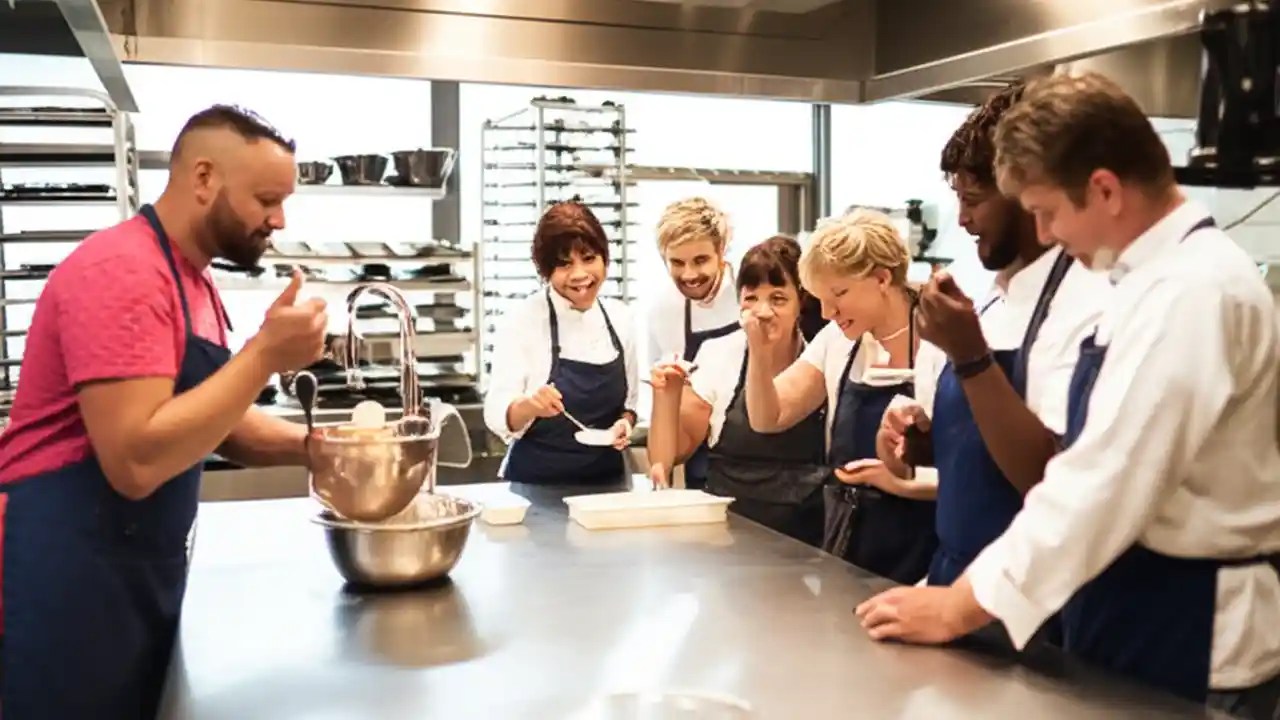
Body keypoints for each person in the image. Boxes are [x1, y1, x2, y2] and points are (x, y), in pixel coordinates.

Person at [855, 72, 1280, 718]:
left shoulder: (1193, 292)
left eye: (1047, 211)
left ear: (1105, 189)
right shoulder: (1144, 283)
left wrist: (962, 604)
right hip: (1125, 606)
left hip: (1190, 628)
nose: (1046, 235)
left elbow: (1103, 480)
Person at [0, 105, 325, 718]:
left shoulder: (194, 283)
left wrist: (317, 449)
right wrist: (263, 355)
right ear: (204, 178)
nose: (279, 220)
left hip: (133, 566)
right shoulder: (125, 272)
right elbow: (135, 460)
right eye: (265, 199)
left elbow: (209, 421)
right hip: (64, 574)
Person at [876, 82, 1106, 591]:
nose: (962, 219)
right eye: (958, 198)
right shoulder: (992, 298)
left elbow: (1048, 477)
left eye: (974, 199)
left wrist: (970, 357)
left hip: (1028, 600)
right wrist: (922, 443)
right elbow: (985, 449)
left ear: (1028, 194)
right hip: (956, 577)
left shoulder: (1088, 303)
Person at [741, 209, 937, 584]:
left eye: (839, 294)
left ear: (882, 277)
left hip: (928, 548)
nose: (828, 312)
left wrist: (899, 483)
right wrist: (760, 354)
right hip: (851, 546)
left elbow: (971, 476)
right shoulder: (838, 341)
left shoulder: (941, 337)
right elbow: (768, 417)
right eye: (821, 299)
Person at [647, 235, 827, 545]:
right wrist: (667, 395)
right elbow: (671, 453)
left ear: (802, 301)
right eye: (751, 298)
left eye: (778, 298)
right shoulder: (718, 354)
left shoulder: (822, 358)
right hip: (726, 539)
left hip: (806, 543)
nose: (763, 311)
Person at [484, 201, 639, 485]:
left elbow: (630, 404)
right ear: (546, 271)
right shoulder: (523, 319)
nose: (580, 274)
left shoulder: (620, 318)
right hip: (533, 490)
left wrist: (625, 423)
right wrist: (531, 406)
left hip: (608, 486)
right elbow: (496, 414)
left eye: (589, 258)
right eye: (564, 264)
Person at [645, 197, 741, 489]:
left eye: (700, 260)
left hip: (760, 457)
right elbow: (667, 409)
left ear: (721, 251)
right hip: (703, 469)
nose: (689, 275)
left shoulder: (747, 295)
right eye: (676, 262)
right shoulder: (664, 312)